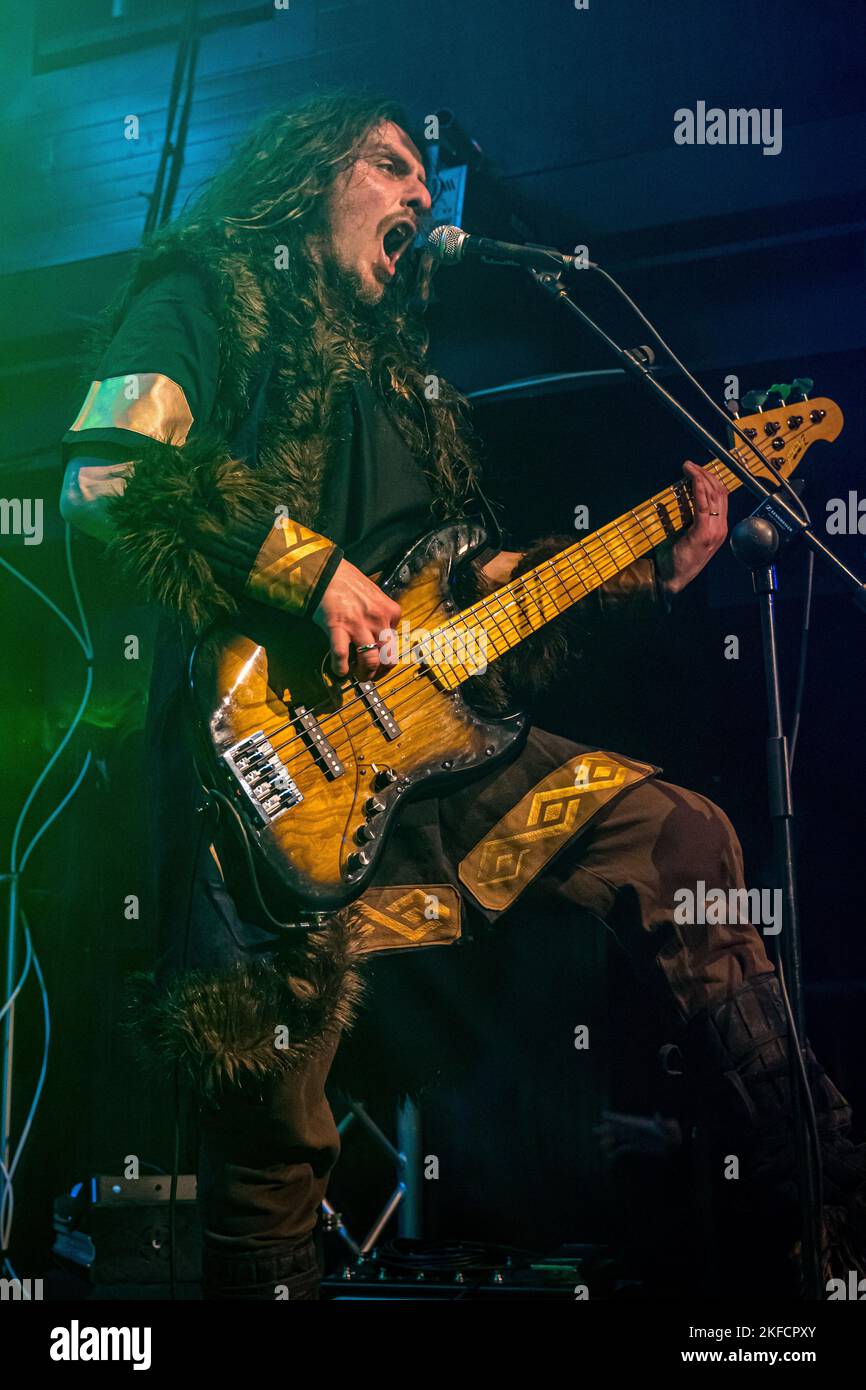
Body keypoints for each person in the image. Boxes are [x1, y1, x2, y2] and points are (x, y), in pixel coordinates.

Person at [59, 91, 864, 1299]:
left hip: (434, 757)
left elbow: (476, 591)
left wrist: (642, 564)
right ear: (304, 178)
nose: (419, 194)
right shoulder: (212, 292)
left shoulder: (409, 390)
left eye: (427, 180)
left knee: (681, 837)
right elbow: (107, 474)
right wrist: (306, 568)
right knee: (275, 1131)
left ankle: (823, 1215)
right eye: (388, 166)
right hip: (262, 773)